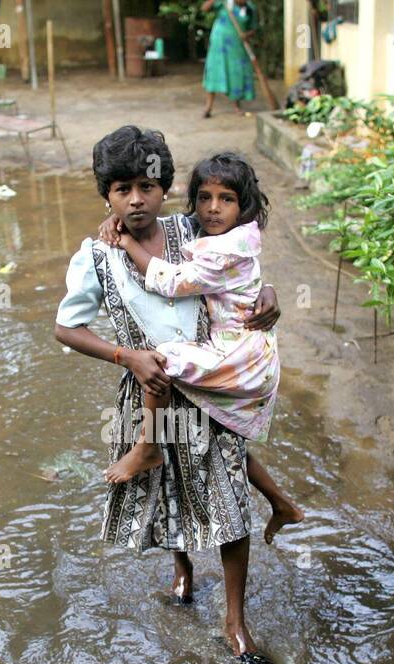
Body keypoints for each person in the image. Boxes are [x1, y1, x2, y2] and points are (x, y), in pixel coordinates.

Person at [53, 126, 283, 664]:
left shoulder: (188, 229)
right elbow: (65, 328)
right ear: (105, 195)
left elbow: (234, 271)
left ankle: (235, 623)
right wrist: (122, 355)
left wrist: (267, 295)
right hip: (149, 385)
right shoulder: (96, 256)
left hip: (208, 385)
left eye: (147, 187)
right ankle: (182, 569)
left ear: (164, 190)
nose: (136, 199)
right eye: (122, 189)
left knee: (228, 505)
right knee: (166, 489)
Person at [102, 150, 304, 549]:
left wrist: (126, 241)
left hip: (237, 356)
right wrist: (116, 219)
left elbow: (171, 280)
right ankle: (281, 503)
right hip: (239, 350)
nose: (213, 209)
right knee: (222, 439)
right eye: (205, 198)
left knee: (159, 360)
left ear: (243, 206)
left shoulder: (222, 247)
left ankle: (145, 446)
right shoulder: (217, 231)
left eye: (226, 199)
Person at [201, 0, 258, 118]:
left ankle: (237, 106)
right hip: (218, 46)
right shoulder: (223, 3)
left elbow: (254, 28)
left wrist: (246, 35)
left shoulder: (250, 8)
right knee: (213, 73)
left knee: (236, 74)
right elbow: (204, 8)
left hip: (237, 47)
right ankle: (208, 107)